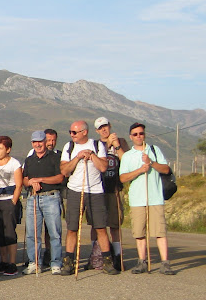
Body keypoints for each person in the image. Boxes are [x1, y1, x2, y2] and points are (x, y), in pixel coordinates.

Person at [59, 121, 118, 275]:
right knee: (72, 228)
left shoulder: (98, 146)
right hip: (75, 190)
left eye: (75, 132)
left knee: (100, 227)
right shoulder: (69, 147)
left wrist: (91, 155)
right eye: (71, 132)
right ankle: (69, 261)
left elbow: (103, 167)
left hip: (95, 191)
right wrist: (78, 157)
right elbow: (64, 170)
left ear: (84, 132)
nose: (72, 135)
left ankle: (107, 260)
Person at [119, 123, 176, 275]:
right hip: (137, 199)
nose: (139, 136)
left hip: (155, 198)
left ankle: (165, 263)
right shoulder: (127, 156)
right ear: (131, 137)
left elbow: (166, 169)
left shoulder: (154, 150)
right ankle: (142, 261)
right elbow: (123, 177)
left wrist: (151, 163)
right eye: (136, 134)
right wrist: (140, 170)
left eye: (141, 133)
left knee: (160, 231)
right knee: (139, 232)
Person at [89, 117, 129, 270]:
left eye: (105, 126)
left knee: (114, 223)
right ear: (97, 131)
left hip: (114, 189)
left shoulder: (122, 141)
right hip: (98, 188)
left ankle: (118, 257)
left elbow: (127, 161)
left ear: (110, 126)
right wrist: (106, 145)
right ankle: (95, 255)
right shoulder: (95, 144)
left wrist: (117, 146)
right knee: (96, 224)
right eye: (100, 128)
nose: (104, 130)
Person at [22, 131, 65, 274]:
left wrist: (40, 180)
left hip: (51, 197)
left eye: (40, 141)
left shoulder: (55, 157)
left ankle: (56, 263)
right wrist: (30, 182)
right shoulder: (29, 160)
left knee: (54, 233)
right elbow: (24, 179)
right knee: (32, 234)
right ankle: (35, 263)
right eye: (35, 142)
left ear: (45, 142)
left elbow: (60, 178)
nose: (38, 144)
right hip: (33, 198)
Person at [0, 136, 23, 276]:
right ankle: (3, 261)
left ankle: (12, 263)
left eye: (0, 148)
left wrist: (13, 201)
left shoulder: (15, 164)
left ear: (8, 149)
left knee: (9, 232)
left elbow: (19, 185)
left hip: (8, 200)